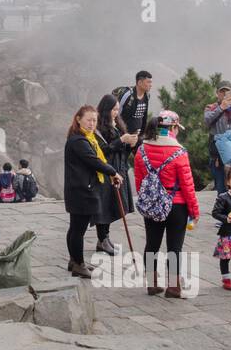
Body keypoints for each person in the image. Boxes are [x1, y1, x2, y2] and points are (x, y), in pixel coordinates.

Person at [133, 111, 200, 298]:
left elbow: (140, 182)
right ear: (173, 127)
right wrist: (194, 211)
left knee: (152, 244)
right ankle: (173, 287)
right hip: (176, 205)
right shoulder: (179, 152)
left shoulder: (142, 150)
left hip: (152, 204)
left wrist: (149, 199)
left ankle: (152, 284)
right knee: (174, 248)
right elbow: (187, 186)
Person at [63, 106, 124, 279]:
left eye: (94, 120)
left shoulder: (84, 138)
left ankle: (74, 261)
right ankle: (79, 264)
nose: (92, 124)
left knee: (75, 228)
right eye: (88, 120)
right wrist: (113, 172)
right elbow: (94, 161)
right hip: (82, 191)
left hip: (79, 189)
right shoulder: (79, 141)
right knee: (78, 230)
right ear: (78, 119)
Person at [94, 93, 139, 256]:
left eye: (117, 109)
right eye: (113, 109)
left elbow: (121, 150)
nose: (116, 113)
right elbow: (102, 151)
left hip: (118, 169)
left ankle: (105, 238)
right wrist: (121, 140)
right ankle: (102, 239)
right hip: (106, 171)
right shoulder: (99, 127)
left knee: (113, 205)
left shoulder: (117, 124)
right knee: (104, 206)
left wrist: (130, 143)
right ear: (105, 109)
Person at [118, 71, 154, 142]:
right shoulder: (128, 95)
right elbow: (117, 114)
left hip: (137, 136)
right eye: (148, 82)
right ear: (139, 82)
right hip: (123, 136)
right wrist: (123, 134)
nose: (151, 85)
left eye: (151, 82)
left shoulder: (147, 95)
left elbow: (144, 116)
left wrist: (142, 134)